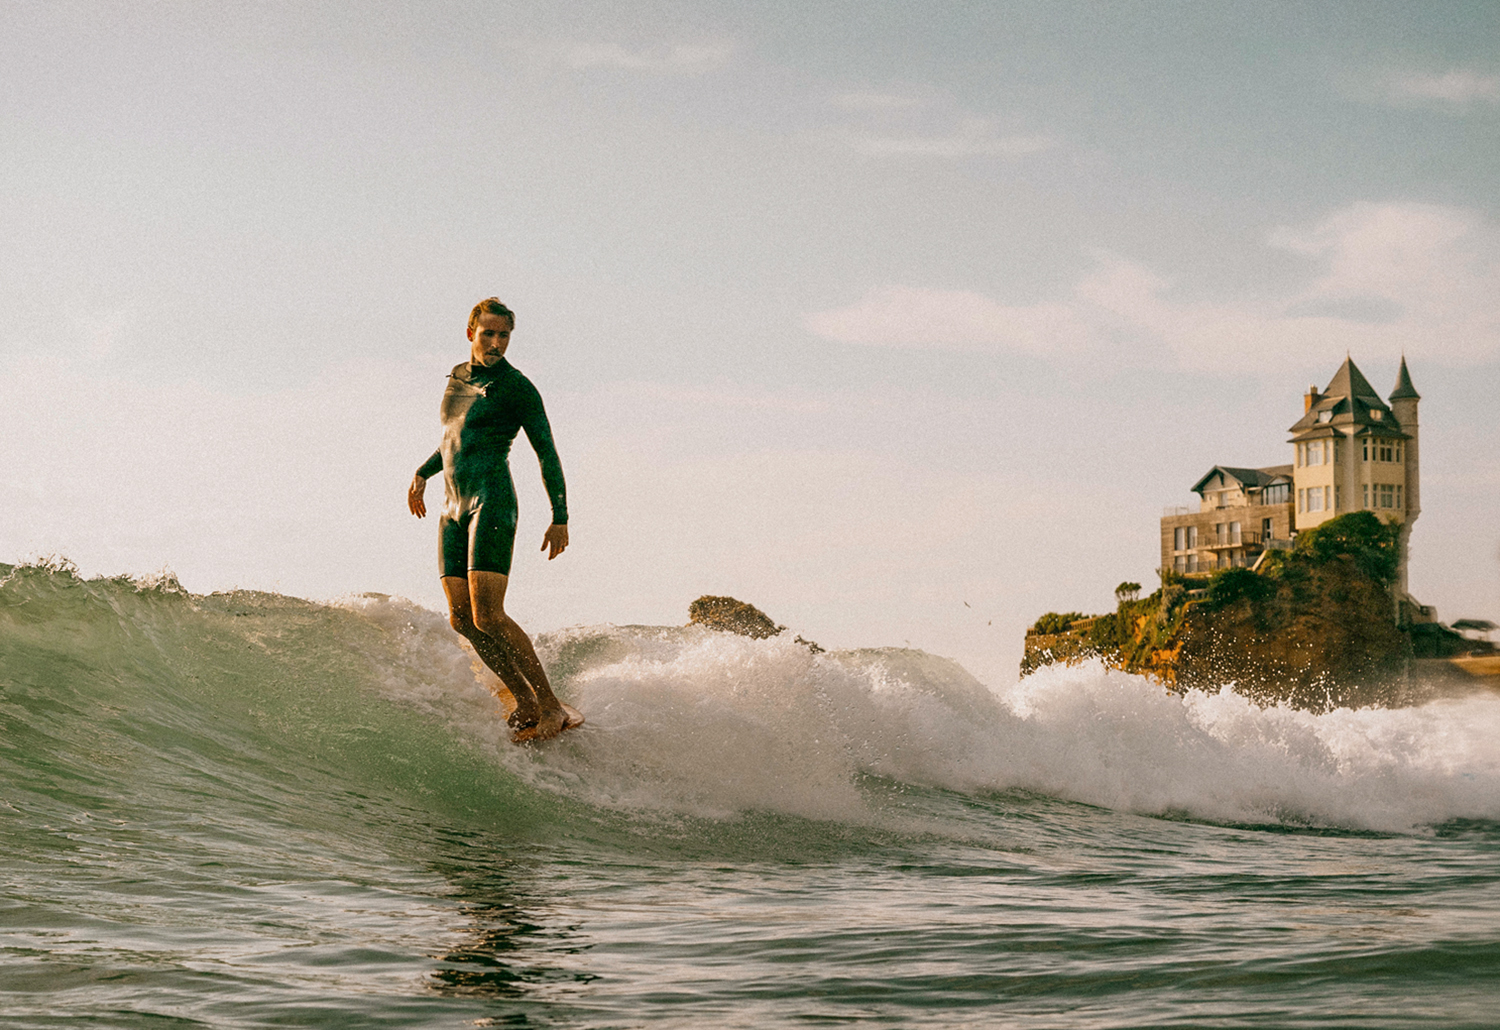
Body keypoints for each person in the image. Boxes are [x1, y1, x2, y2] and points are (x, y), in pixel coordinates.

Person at [407, 298, 573, 742]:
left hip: (492, 502)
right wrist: (423, 474)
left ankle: (551, 705)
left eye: (504, 336)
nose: (497, 343)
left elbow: (547, 452)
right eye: (489, 334)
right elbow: (455, 438)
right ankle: (524, 697)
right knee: (461, 619)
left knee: (489, 616)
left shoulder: (518, 387)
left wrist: (560, 515)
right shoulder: (457, 378)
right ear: (470, 333)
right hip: (451, 506)